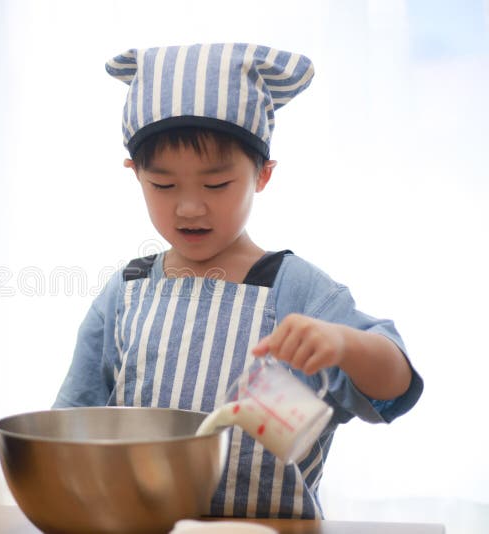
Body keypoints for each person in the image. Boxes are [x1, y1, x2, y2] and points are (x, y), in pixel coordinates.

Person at [53, 43, 423, 519]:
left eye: (216, 185)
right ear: (135, 174)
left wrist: (345, 345)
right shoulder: (127, 292)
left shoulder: (293, 288)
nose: (189, 207)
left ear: (262, 176)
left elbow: (395, 386)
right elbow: (68, 428)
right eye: (163, 186)